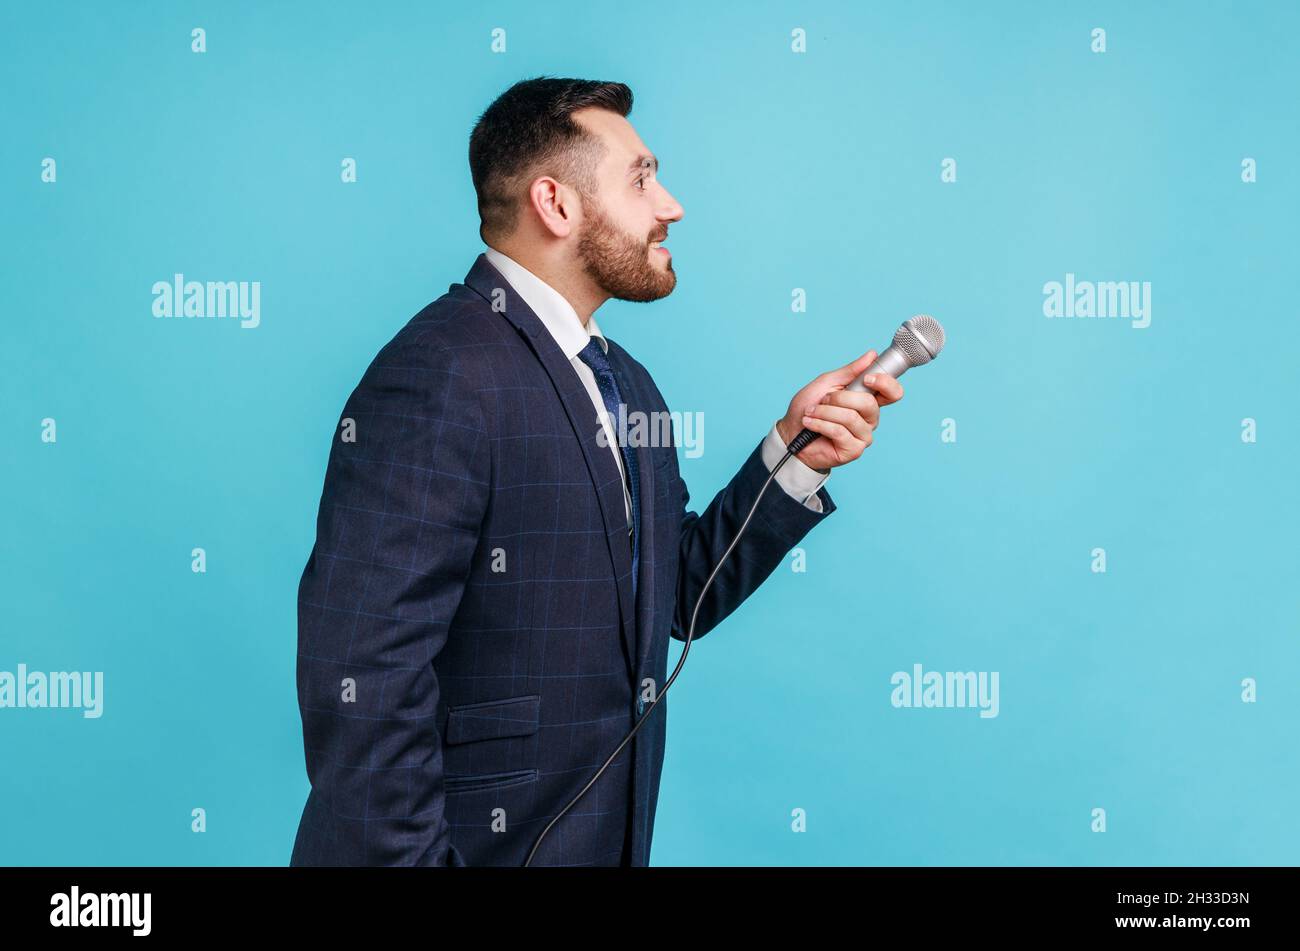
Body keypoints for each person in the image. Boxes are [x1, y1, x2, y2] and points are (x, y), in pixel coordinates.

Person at [290, 77, 903, 867]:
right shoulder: (439, 371)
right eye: (643, 178)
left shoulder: (627, 382)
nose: (671, 206)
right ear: (556, 204)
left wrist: (793, 456)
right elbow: (361, 675)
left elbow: (673, 597)